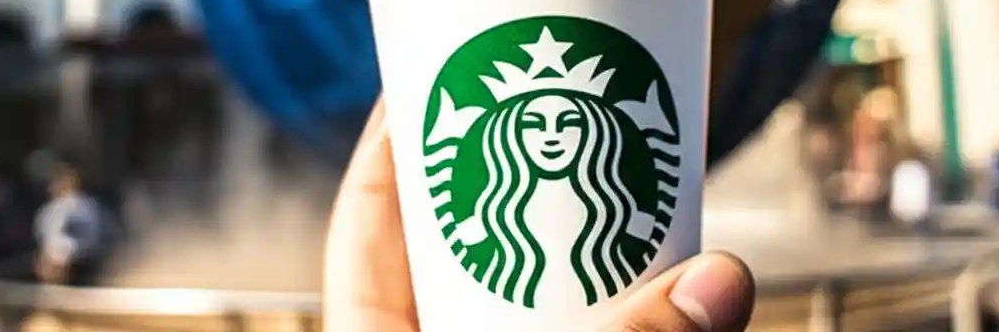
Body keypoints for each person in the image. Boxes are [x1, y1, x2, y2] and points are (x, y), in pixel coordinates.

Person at [323, 102, 756, 331]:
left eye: (568, 122)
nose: (551, 137)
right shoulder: (491, 225)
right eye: (534, 125)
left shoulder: (614, 218)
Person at [33, 166, 115, 286]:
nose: (52, 187)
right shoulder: (51, 208)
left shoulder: (86, 207)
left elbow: (96, 236)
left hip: (84, 265)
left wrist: (62, 256)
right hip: (59, 263)